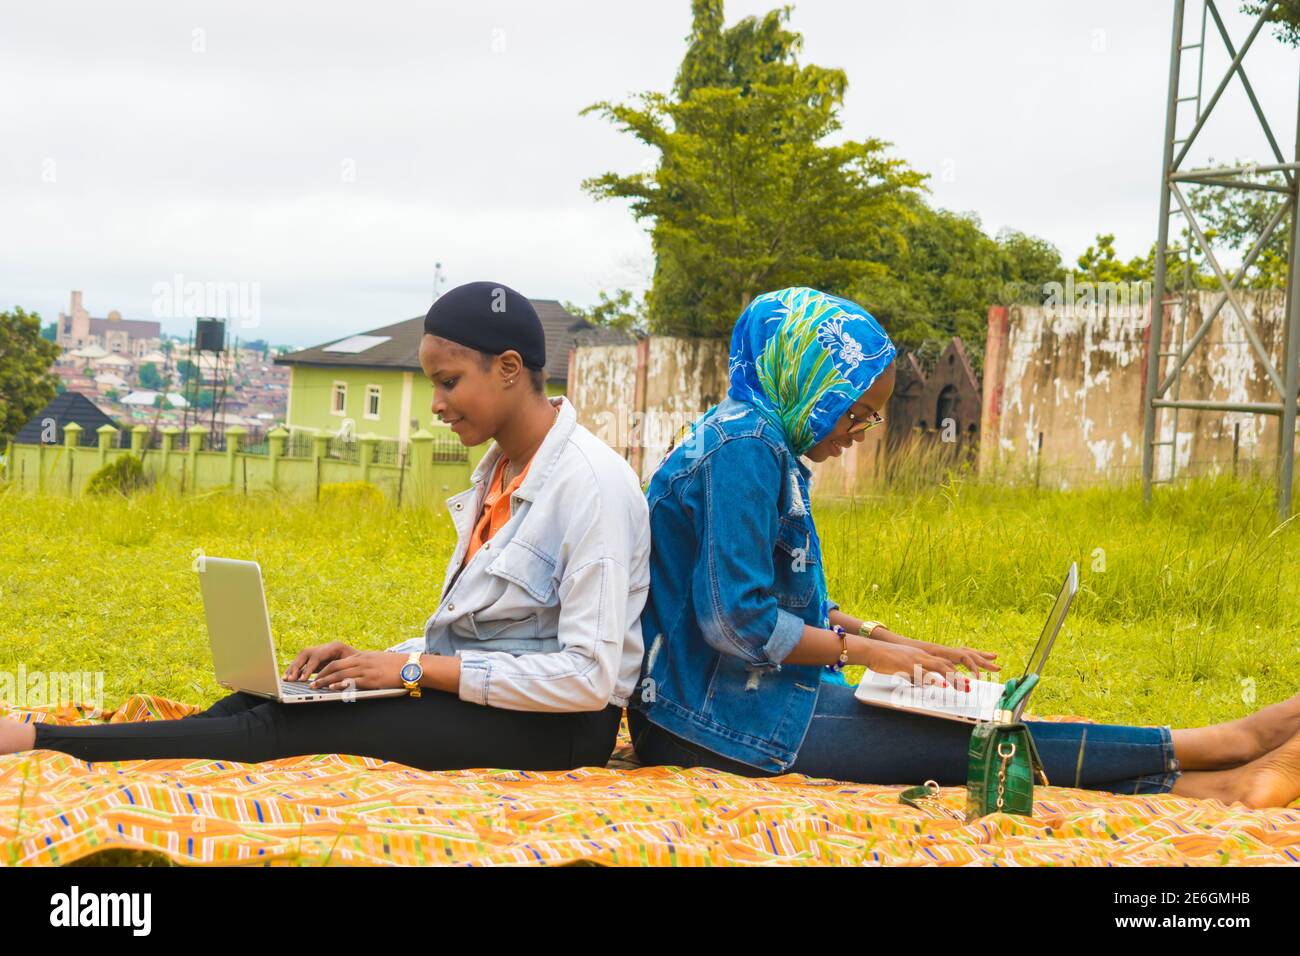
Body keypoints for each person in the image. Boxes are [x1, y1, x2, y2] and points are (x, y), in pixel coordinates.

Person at [628, 285, 1300, 809]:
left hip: (736, 697)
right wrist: (868, 654)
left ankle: (1205, 788)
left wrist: (885, 638)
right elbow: (735, 620)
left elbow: (763, 593)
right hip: (709, 719)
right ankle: (1219, 745)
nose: (861, 430)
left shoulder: (757, 440)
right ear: (808, 380)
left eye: (870, 415)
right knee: (973, 737)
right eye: (855, 410)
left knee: (961, 728)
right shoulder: (743, 449)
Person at [1, 281, 651, 773]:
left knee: (290, 733)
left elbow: (586, 679)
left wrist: (411, 674)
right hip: (488, 700)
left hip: (557, 731)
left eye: (449, 382)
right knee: (264, 704)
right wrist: (381, 660)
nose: (437, 404)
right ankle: (144, 758)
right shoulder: (497, 473)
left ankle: (43, 744)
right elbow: (478, 639)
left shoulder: (592, 485)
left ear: (509, 368)